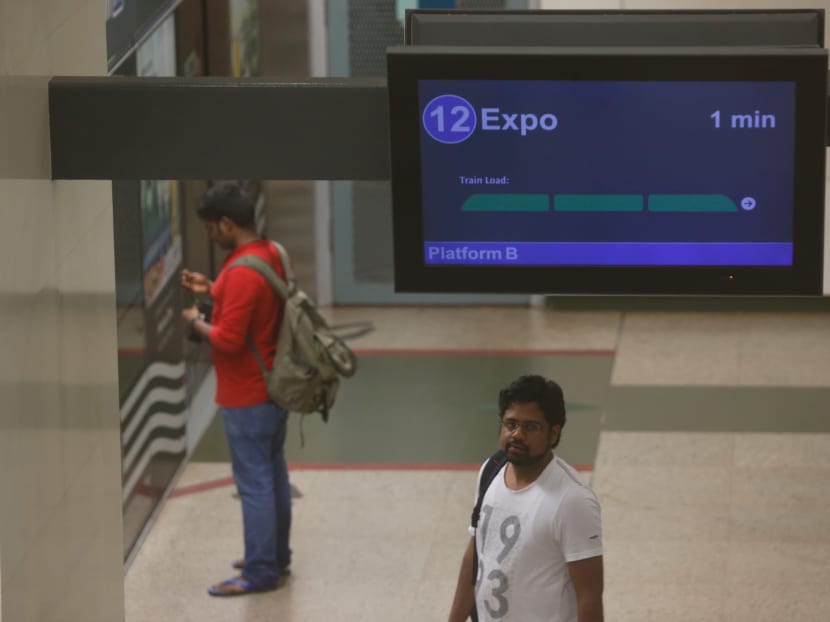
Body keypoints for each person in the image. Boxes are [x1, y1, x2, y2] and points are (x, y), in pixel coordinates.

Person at [181, 183, 292, 596]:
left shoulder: (242, 271)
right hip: (271, 387)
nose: (212, 235)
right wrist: (212, 289)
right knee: (273, 475)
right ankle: (276, 557)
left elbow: (228, 338)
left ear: (227, 223)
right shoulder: (269, 253)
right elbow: (254, 303)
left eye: (212, 228)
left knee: (255, 484)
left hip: (246, 394)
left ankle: (261, 570)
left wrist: (194, 321)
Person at [448, 375, 604, 622]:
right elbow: (475, 555)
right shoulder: (492, 469)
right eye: (511, 424)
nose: (517, 435)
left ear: (554, 434)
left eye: (531, 427)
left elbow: (590, 598)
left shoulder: (572, 500)